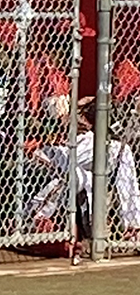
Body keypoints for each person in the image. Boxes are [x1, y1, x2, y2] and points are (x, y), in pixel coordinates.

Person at [30, 93, 140, 244]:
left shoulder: (62, 77)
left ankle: (131, 227)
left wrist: (88, 109)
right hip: (45, 146)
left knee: (121, 151)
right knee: (78, 175)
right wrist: (73, 111)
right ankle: (34, 218)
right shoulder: (33, 78)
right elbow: (35, 123)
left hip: (78, 140)